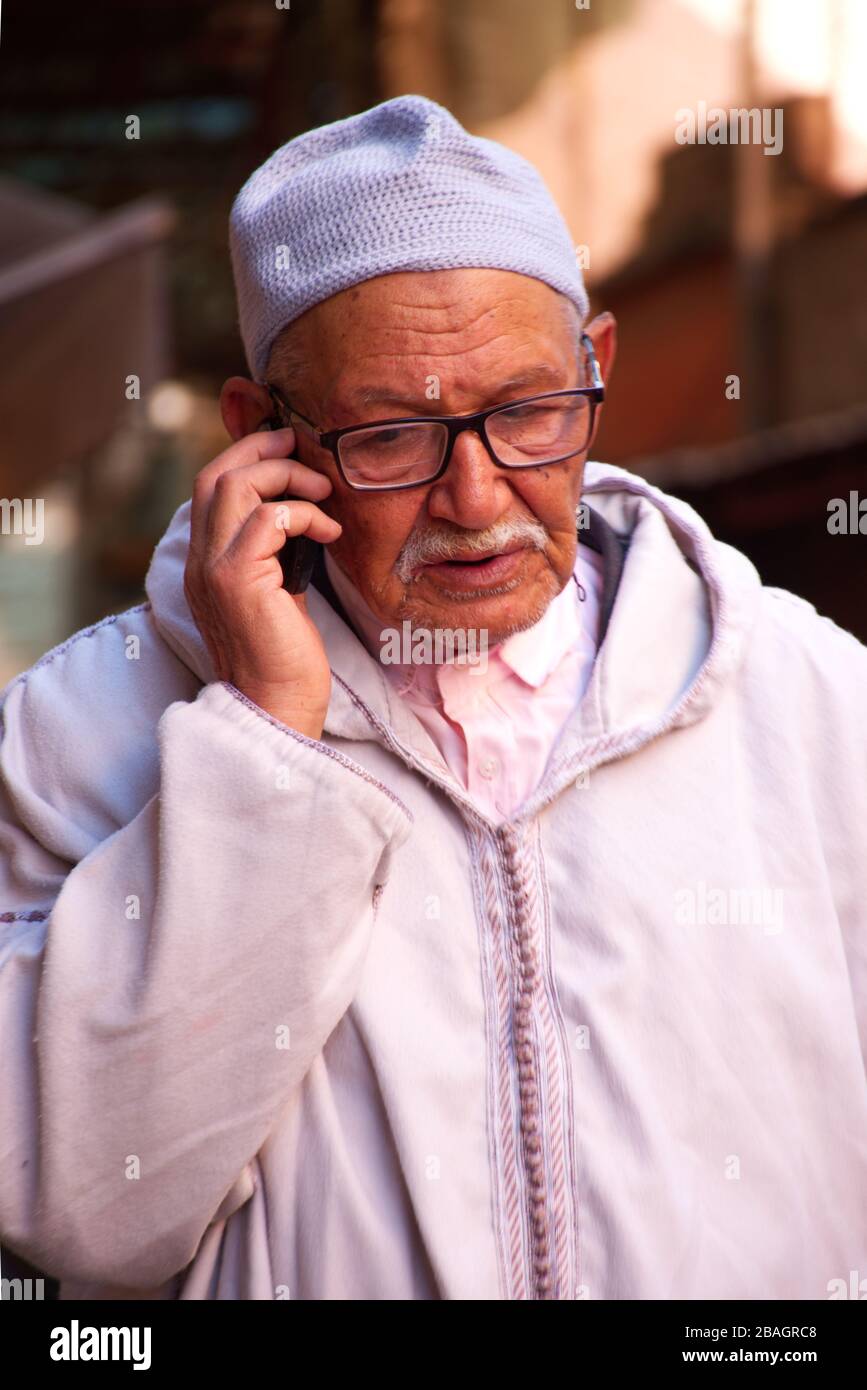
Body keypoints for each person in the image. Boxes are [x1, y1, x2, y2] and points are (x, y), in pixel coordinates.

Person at [1, 95, 865, 1301]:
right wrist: (263, 739)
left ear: (595, 367)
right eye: (391, 434)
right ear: (262, 436)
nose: (475, 496)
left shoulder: (811, 697)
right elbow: (85, 1215)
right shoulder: (74, 734)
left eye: (526, 413)